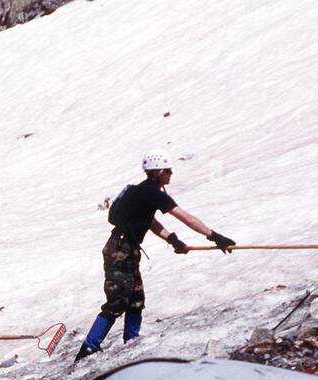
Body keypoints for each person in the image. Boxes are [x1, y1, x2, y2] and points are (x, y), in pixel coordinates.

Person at [75, 152, 236, 362]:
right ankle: (89, 348)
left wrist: (172, 239)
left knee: (135, 299)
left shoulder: (143, 192)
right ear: (158, 172)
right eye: (168, 171)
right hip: (120, 251)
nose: (171, 174)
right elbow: (185, 217)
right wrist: (213, 236)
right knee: (117, 301)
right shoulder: (153, 193)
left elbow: (148, 221)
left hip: (126, 249)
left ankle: (132, 343)